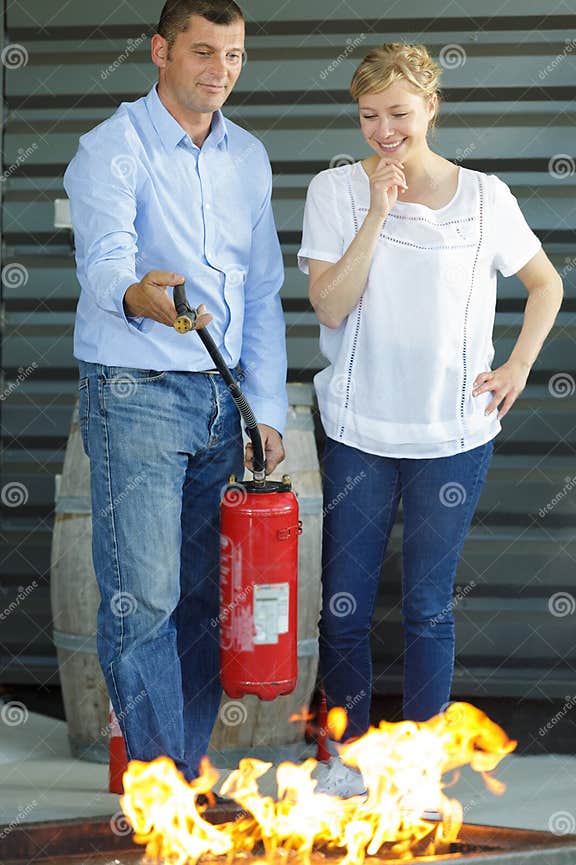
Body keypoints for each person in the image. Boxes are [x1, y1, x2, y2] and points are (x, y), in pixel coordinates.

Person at [298, 43, 563, 798]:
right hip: (356, 428)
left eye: (399, 114)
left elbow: (545, 284)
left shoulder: (486, 197)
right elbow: (329, 305)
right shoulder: (335, 190)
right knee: (343, 607)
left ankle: (417, 774)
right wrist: (378, 211)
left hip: (453, 434)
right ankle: (341, 759)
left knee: (426, 608)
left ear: (432, 107)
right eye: (368, 116)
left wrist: (518, 367)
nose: (384, 131)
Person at [63, 0, 288, 782]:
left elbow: (262, 292)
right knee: (145, 598)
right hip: (137, 392)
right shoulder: (112, 147)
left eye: (234, 55)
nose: (220, 71)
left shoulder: (247, 156)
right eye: (203, 52)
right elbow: (104, 263)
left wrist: (267, 409)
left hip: (223, 399)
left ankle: (182, 781)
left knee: (200, 601)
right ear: (160, 51)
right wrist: (138, 295)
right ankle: (160, 790)